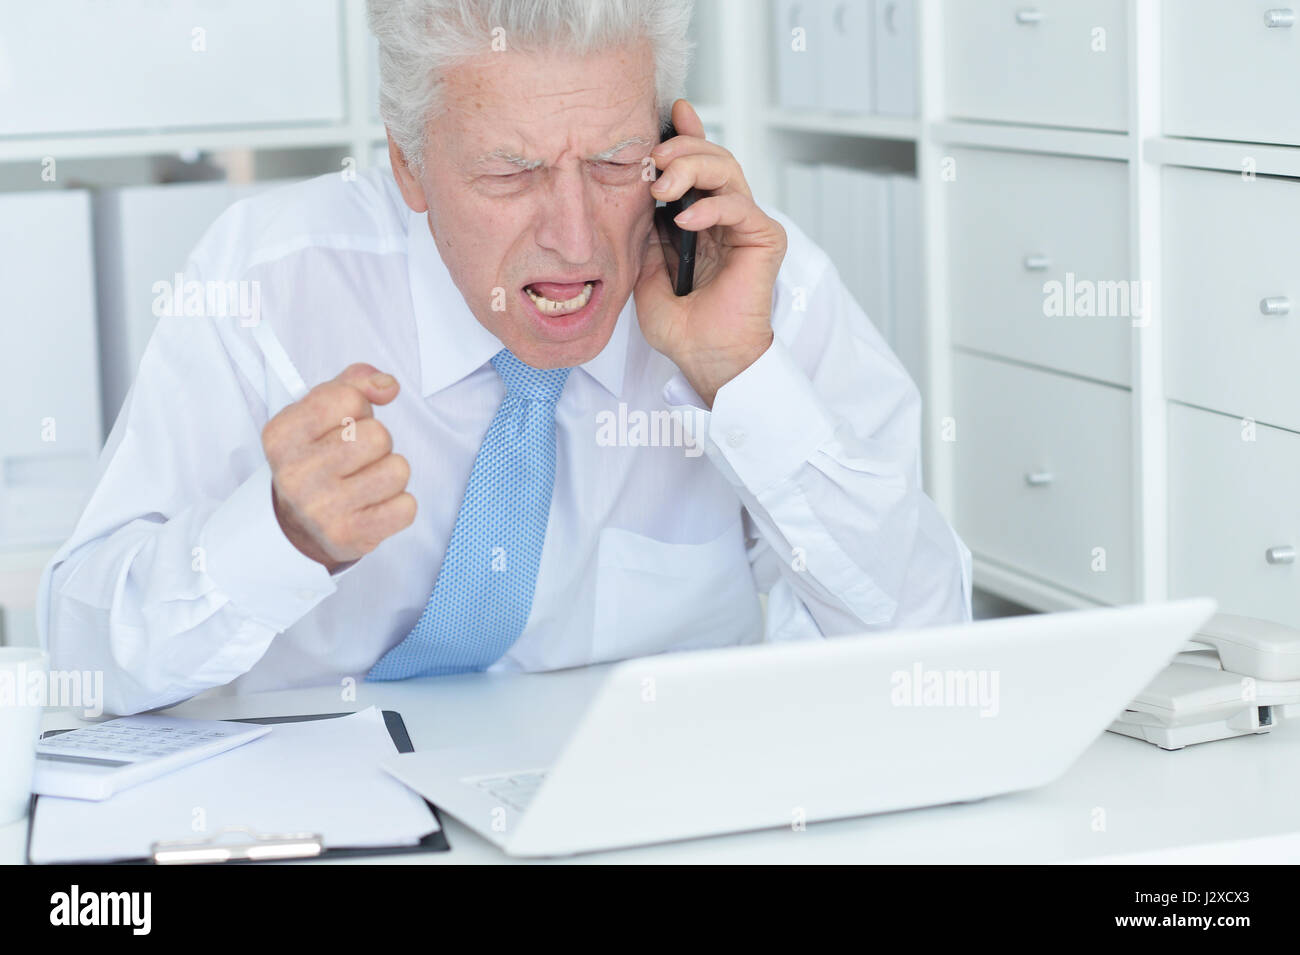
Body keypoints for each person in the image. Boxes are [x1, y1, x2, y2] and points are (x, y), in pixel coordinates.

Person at [39, 0, 972, 716]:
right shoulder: (267, 285)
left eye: (615, 163)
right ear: (407, 162)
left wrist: (745, 379)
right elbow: (83, 654)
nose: (574, 239)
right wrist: (273, 537)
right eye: (509, 173)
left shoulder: (750, 279)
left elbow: (930, 650)